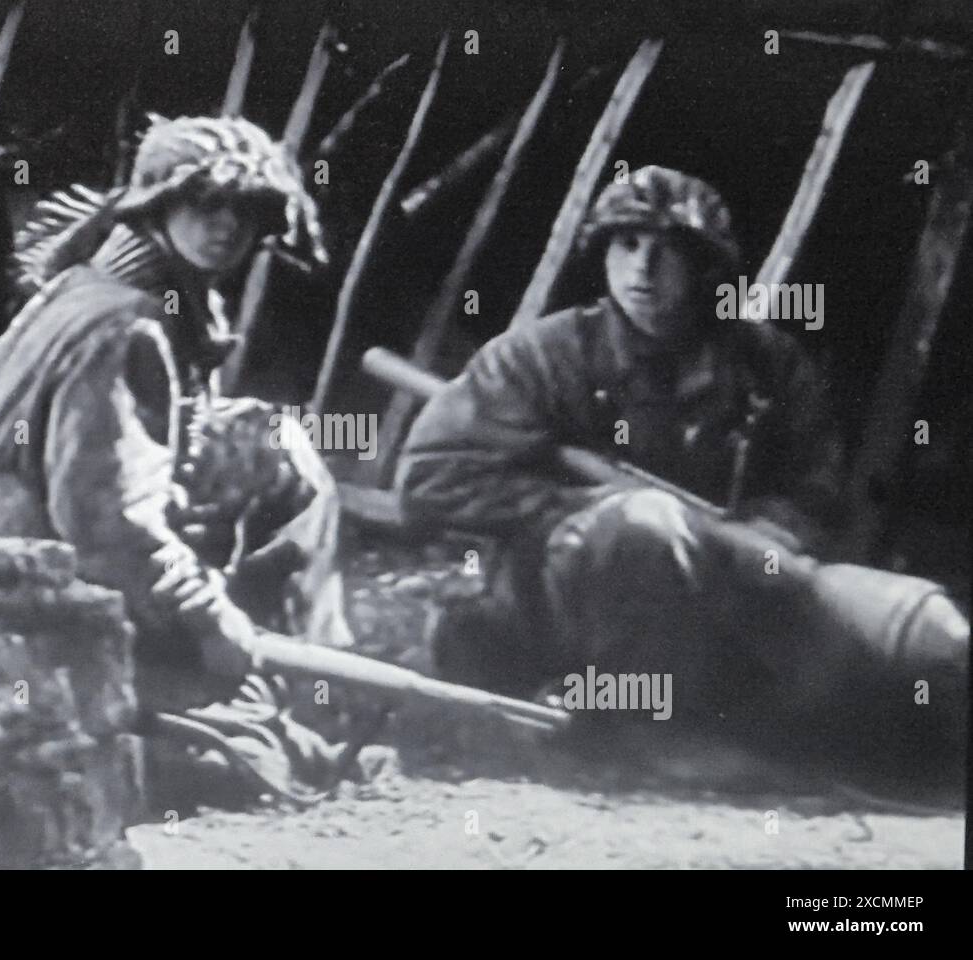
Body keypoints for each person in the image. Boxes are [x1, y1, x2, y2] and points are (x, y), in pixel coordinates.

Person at [396, 165, 966, 747]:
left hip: (729, 589)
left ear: (706, 267)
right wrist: (586, 507)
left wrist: (769, 533)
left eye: (667, 251)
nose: (642, 268)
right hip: (561, 597)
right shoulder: (540, 357)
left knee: (927, 644)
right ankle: (614, 729)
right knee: (643, 528)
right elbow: (430, 479)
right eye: (627, 244)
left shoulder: (767, 364)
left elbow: (818, 484)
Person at [0, 115, 352, 700]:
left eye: (246, 209)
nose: (227, 225)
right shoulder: (128, 326)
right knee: (254, 748)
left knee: (281, 449)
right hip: (39, 571)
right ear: (155, 207)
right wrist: (211, 619)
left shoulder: (108, 285)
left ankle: (316, 673)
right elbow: (109, 524)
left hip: (38, 534)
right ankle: (303, 693)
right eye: (206, 203)